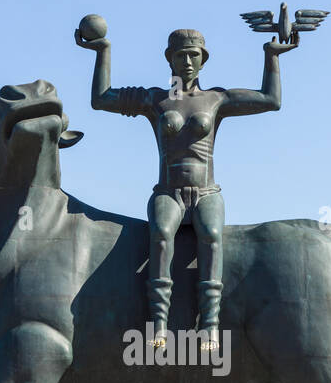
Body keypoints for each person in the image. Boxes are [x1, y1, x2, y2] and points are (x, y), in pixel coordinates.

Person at [76, 21, 296, 348]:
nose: (188, 62)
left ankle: (209, 325)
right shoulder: (155, 100)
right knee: (162, 234)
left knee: (211, 235)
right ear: (170, 59)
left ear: (203, 59)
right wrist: (102, 52)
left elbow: (270, 100)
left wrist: (271, 56)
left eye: (194, 55)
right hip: (169, 193)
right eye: (181, 55)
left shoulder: (216, 99)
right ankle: (159, 325)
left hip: (206, 193)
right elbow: (102, 99)